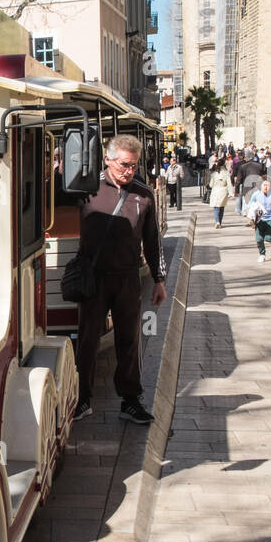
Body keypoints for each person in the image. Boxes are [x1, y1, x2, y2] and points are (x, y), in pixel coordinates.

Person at [72, 134, 167, 425]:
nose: (129, 171)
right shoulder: (86, 188)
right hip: (94, 276)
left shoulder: (143, 194)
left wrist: (159, 278)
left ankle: (130, 400)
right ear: (108, 160)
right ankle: (82, 398)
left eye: (134, 166)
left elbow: (153, 240)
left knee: (129, 340)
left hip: (127, 277)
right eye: (124, 165)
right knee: (88, 340)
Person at [245, 178, 271, 262]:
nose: (266, 187)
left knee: (268, 238)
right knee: (259, 239)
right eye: (264, 185)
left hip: (270, 219)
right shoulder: (256, 194)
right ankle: (262, 254)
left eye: (268, 185)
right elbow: (250, 204)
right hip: (259, 220)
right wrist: (251, 211)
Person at [207, 159, 232, 228]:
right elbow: (229, 184)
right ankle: (220, 222)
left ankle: (217, 221)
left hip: (215, 190)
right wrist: (231, 193)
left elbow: (211, 184)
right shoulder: (226, 173)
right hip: (223, 190)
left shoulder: (214, 173)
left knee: (216, 207)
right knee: (221, 207)